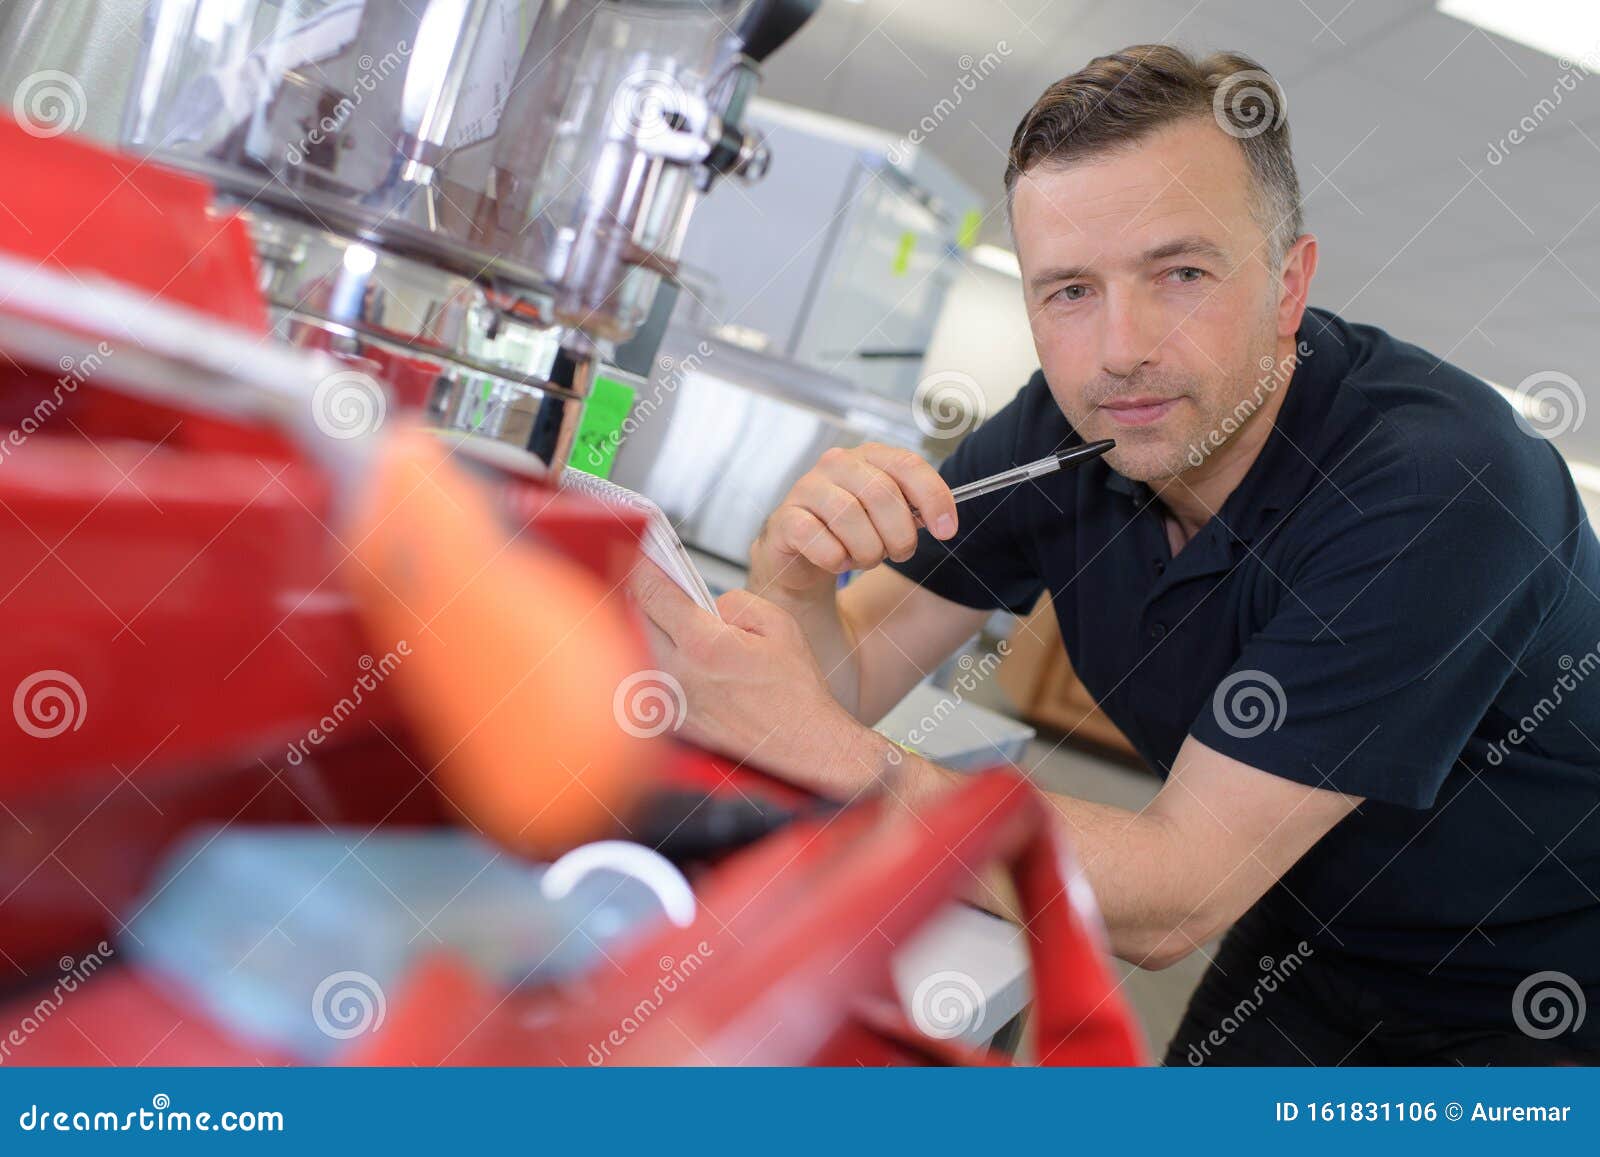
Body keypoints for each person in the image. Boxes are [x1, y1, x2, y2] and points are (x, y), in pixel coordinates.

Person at [629, 44, 1600, 1065]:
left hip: (1547, 993)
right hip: (1306, 934)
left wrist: (824, 752)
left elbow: (1174, 894)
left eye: (1178, 272)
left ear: (1286, 284)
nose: (1120, 347)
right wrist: (794, 581)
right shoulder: (1065, 428)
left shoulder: (1441, 480)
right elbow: (853, 677)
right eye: (1068, 291)